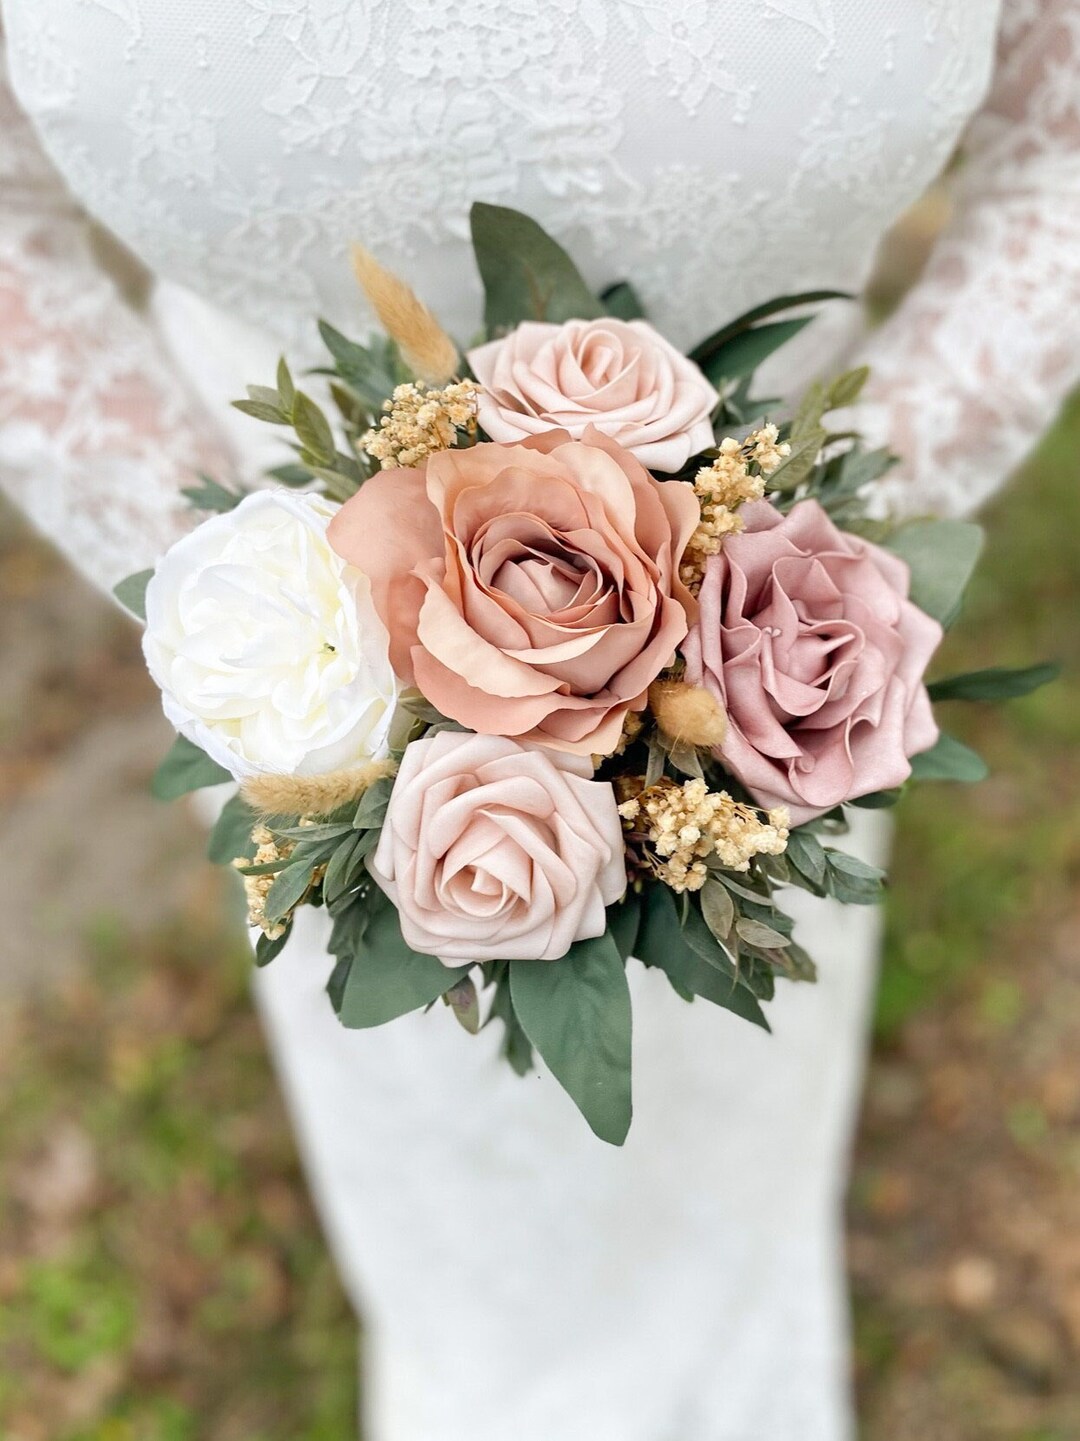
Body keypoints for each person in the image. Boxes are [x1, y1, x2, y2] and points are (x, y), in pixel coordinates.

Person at [1, 5, 1078, 1437]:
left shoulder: (774, 645)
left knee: (726, 1131)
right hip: (306, 689)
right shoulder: (300, 671)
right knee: (460, 1195)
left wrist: (805, 595)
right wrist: (269, 639)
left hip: (762, 694)